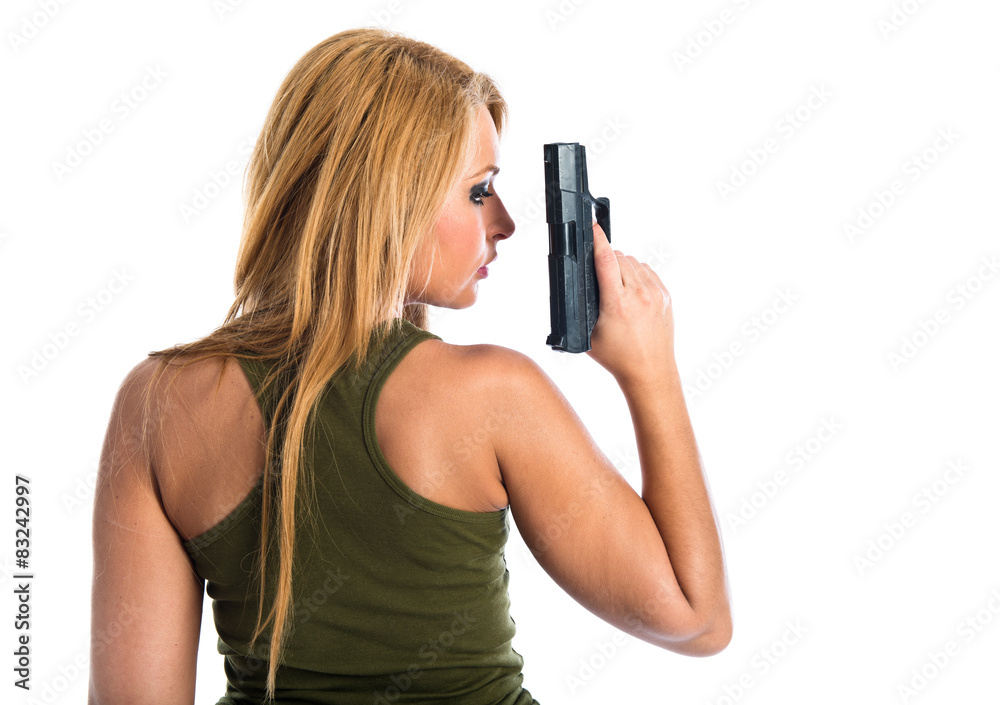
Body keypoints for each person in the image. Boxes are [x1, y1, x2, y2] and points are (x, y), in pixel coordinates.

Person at [88, 27, 731, 705]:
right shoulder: (492, 394)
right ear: (390, 199)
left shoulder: (155, 403)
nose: (505, 222)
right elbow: (697, 619)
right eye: (479, 191)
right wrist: (650, 370)